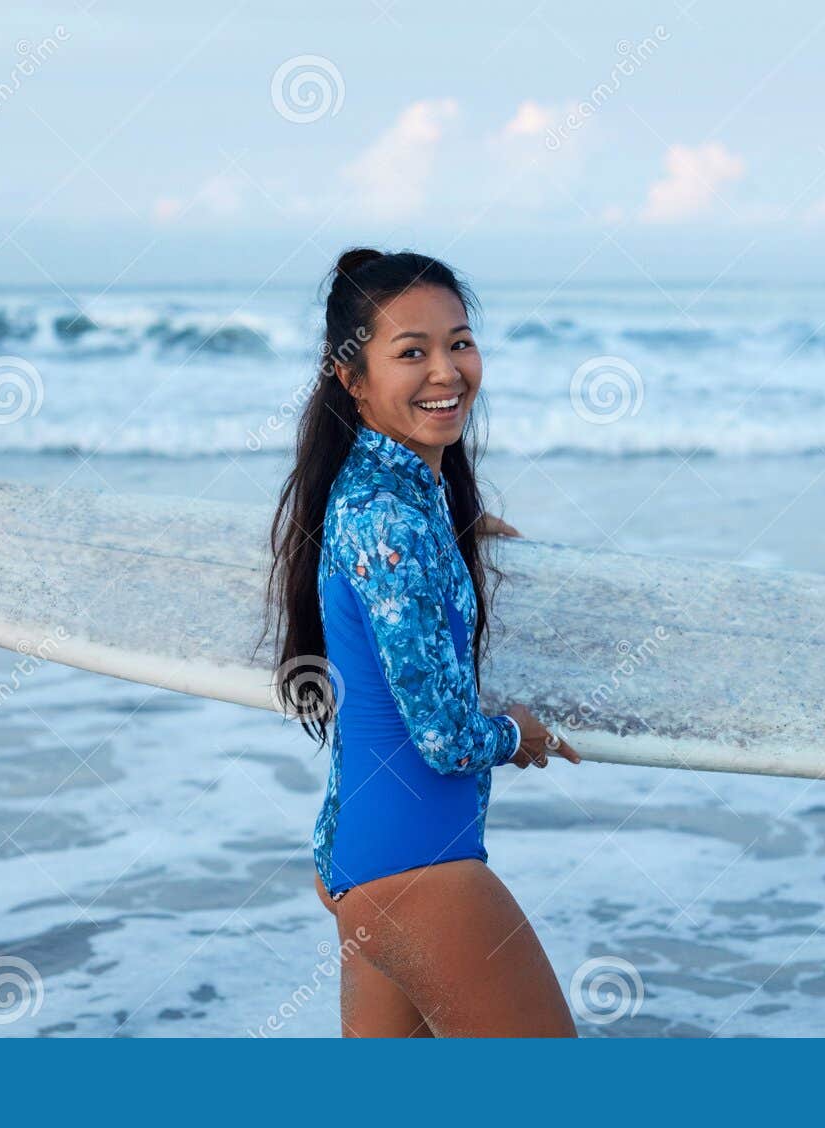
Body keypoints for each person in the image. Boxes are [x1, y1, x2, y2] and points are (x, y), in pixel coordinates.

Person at [265, 247, 581, 1037]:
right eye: (412, 352)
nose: (447, 370)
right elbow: (443, 737)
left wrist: (457, 528)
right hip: (419, 869)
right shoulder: (391, 520)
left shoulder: (389, 500)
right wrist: (519, 735)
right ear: (352, 377)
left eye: (459, 342)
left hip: (372, 859)